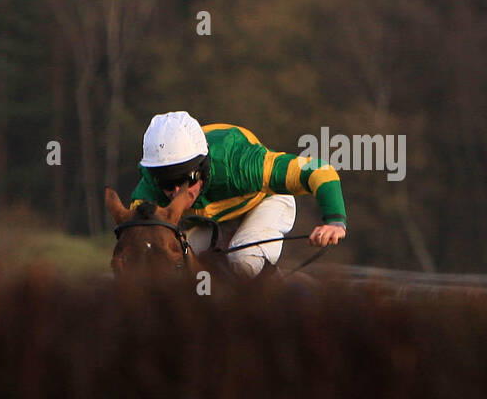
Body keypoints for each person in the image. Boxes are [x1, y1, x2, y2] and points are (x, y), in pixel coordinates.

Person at [127, 111, 347, 277]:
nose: (176, 193)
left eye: (186, 180)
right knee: (176, 263)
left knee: (244, 260)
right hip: (212, 220)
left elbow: (320, 170)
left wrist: (335, 221)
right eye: (166, 183)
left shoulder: (242, 163)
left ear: (203, 168)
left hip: (264, 202)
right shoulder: (149, 186)